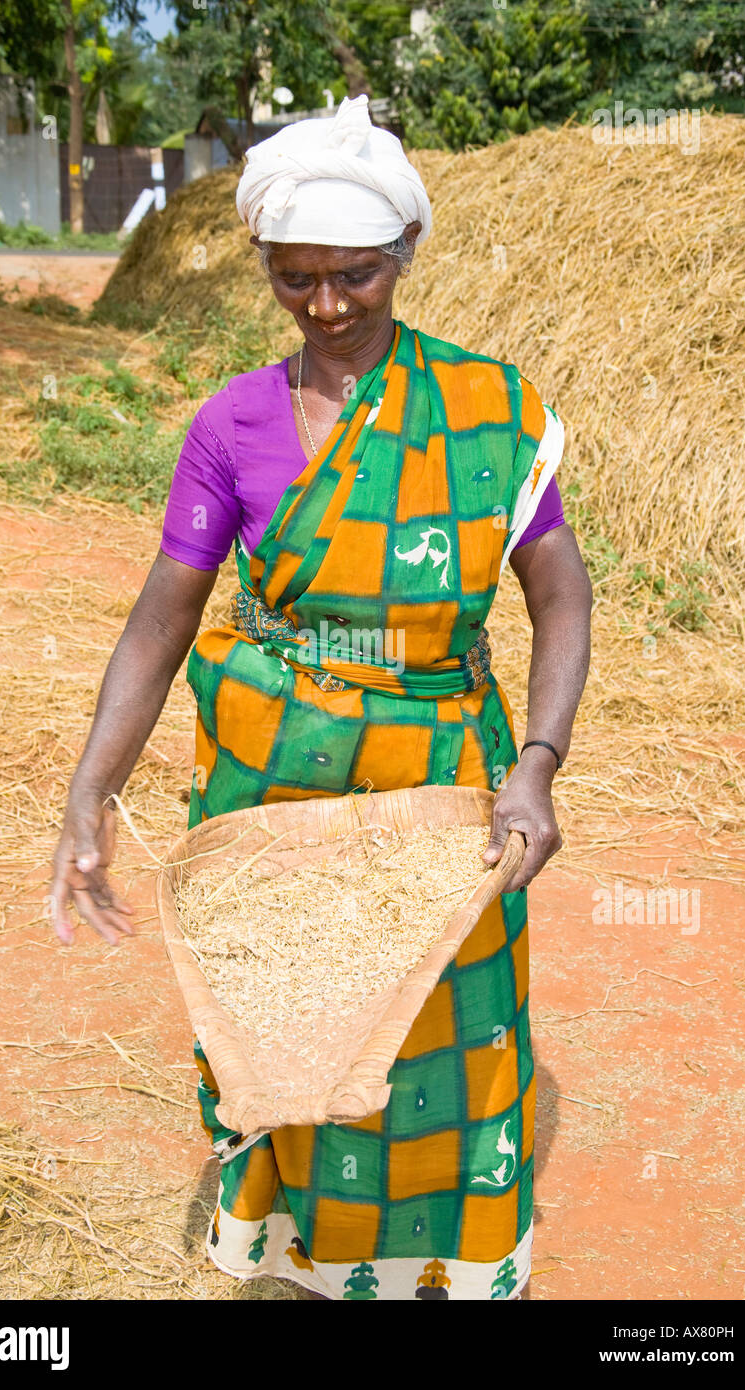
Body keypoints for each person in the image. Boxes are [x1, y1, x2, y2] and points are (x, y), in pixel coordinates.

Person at [51, 95, 592, 1301]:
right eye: (296, 280)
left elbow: (561, 598)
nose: (329, 305)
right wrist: (87, 795)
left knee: (437, 1037)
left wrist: (538, 763)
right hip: (273, 780)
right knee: (289, 1030)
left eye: (354, 275)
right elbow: (161, 620)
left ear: (402, 256)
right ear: (266, 268)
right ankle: (302, 1262)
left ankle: (428, 1271)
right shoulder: (231, 424)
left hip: (443, 795)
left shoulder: (487, 411)